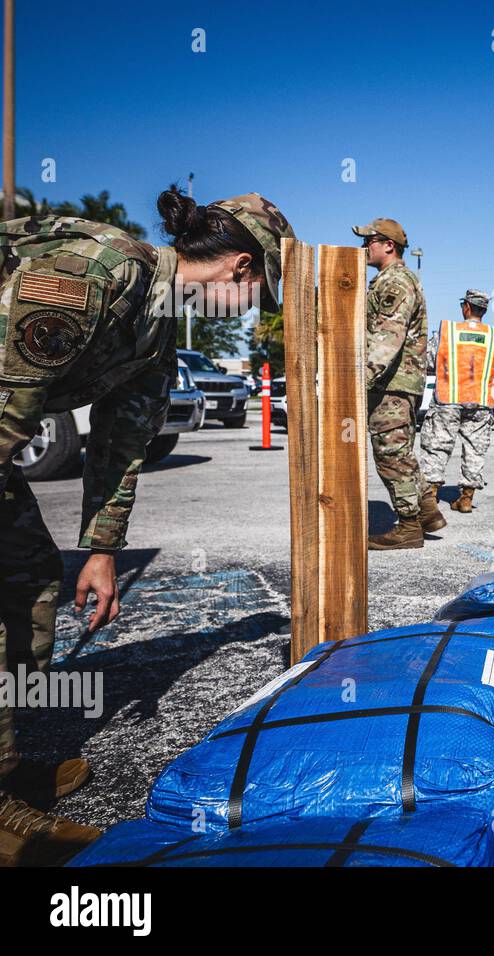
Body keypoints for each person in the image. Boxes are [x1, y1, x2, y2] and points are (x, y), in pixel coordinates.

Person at [0, 188, 293, 865]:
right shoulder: (96, 270)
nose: (251, 310)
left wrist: (102, 551)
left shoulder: (158, 320)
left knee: (29, 586)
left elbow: (122, 439)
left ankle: (6, 761)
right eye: (256, 294)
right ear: (239, 269)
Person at [352, 218, 440, 551]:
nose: (365, 247)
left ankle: (408, 527)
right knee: (399, 451)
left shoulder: (396, 282)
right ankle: (426, 510)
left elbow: (388, 336)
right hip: (397, 381)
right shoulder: (389, 280)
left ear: (389, 245)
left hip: (392, 382)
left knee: (390, 455)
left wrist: (359, 380)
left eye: (369, 241)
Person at [419, 291, 494, 513]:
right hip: (481, 402)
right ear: (483, 310)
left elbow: (425, 357)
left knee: (437, 448)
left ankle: (430, 496)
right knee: (475, 450)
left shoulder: (449, 332)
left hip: (448, 400)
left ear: (465, 307)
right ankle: (466, 499)